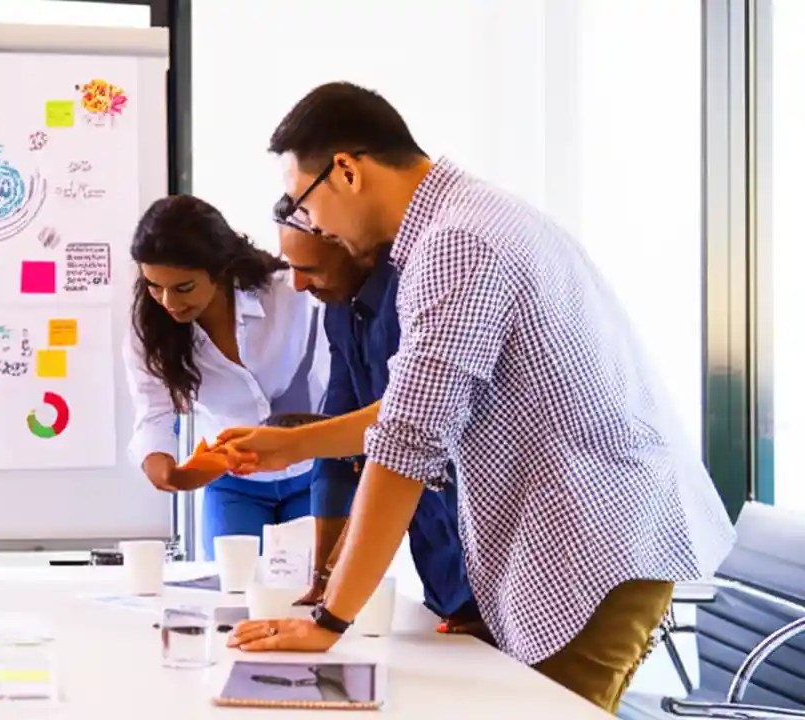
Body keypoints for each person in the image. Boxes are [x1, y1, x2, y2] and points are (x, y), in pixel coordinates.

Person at [221, 82, 735, 713]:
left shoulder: (456, 242)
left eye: (305, 205)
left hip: (591, 547)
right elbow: (420, 406)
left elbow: (408, 441)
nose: (312, 226)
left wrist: (329, 621)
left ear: (347, 171)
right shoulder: (469, 217)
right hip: (583, 538)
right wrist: (297, 445)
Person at [276, 218, 481, 638]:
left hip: (494, 551)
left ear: (353, 243)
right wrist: (322, 577)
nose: (296, 285)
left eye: (310, 269)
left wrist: (333, 615)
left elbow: (404, 429)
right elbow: (338, 443)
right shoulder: (338, 312)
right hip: (441, 566)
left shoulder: (422, 293)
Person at [125, 195, 329, 561]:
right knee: (232, 594)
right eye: (155, 286)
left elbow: (343, 377)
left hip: (314, 474)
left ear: (219, 269)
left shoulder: (289, 292)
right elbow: (153, 412)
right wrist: (166, 471)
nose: (168, 302)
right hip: (233, 485)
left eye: (183, 287)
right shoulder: (150, 326)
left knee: (311, 595)